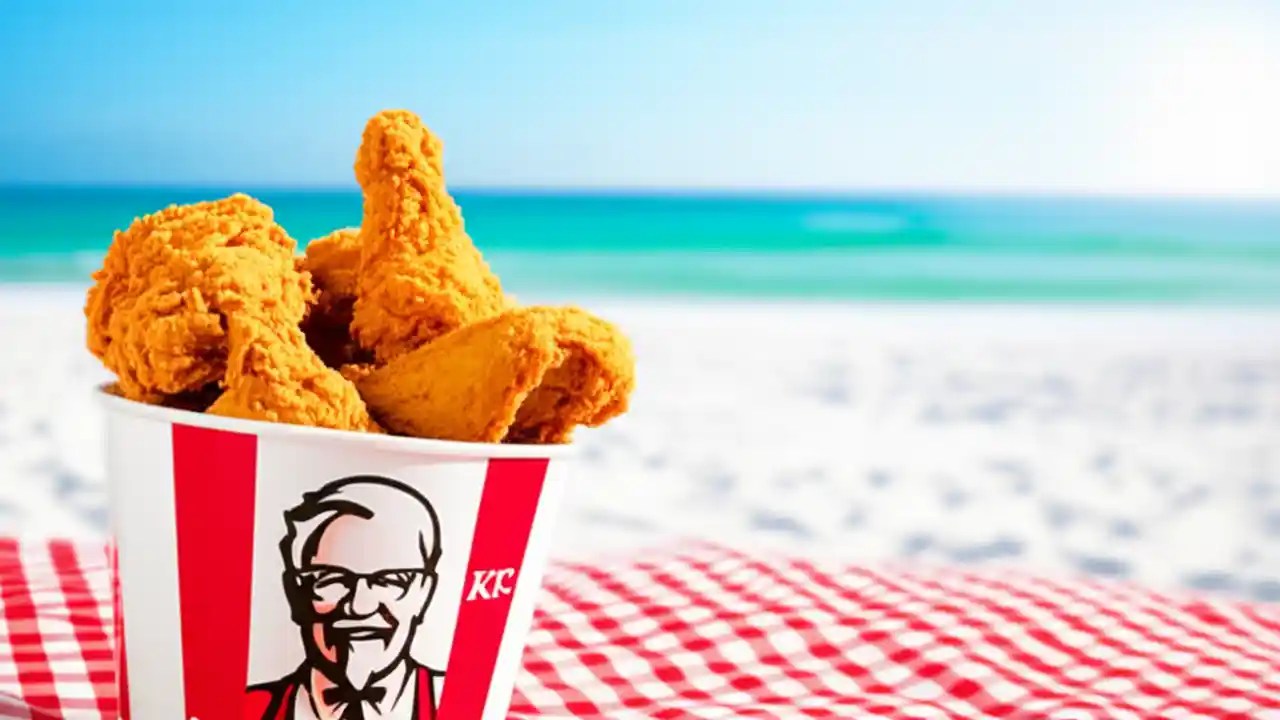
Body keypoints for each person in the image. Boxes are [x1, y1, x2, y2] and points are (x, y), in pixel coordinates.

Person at [247, 476, 443, 720]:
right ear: (295, 591)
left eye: (391, 581)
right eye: (332, 580)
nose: (361, 606)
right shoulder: (244, 706)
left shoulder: (459, 697)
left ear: (424, 593)